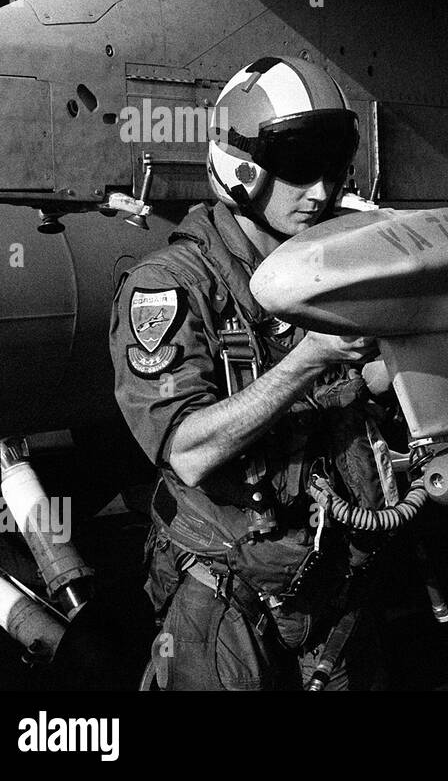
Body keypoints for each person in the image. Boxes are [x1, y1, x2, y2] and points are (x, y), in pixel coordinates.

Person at [110, 56, 407, 690]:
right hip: (223, 598)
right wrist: (307, 362)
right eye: (300, 171)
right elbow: (186, 451)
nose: (321, 193)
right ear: (241, 168)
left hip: (330, 591)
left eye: (330, 170)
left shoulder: (333, 272)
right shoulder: (169, 287)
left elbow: (365, 393)